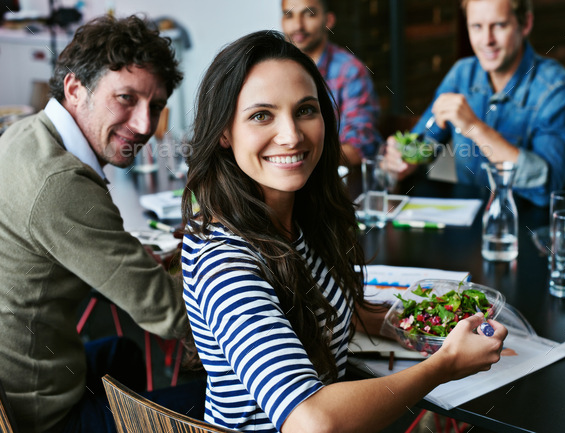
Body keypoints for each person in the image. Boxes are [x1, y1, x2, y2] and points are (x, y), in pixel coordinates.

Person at [180, 30, 507, 433]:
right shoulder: (224, 260)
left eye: (305, 110)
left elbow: (332, 306)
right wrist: (445, 365)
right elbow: (313, 422)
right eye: (261, 115)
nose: (292, 135)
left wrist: (423, 323)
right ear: (224, 132)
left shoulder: (298, 216)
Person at [0, 15, 204, 433]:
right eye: (126, 98)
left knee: (123, 353)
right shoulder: (62, 183)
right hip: (39, 417)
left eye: (156, 105)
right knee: (215, 404)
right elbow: (169, 313)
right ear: (75, 89)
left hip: (17, 380)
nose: (146, 125)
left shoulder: (24, 135)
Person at [384, 0, 565, 207]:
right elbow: (425, 144)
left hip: (537, 228)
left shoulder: (557, 90)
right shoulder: (462, 74)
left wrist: (473, 127)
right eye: (476, 26)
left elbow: (548, 188)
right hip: (472, 223)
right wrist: (403, 159)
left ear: (525, 25)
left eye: (499, 25)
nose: (487, 40)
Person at [281, 0, 382, 166]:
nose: (297, 26)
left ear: (328, 21)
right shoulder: (275, 70)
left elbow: (359, 148)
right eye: (289, 15)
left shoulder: (350, 71)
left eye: (309, 14)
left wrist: (302, 158)